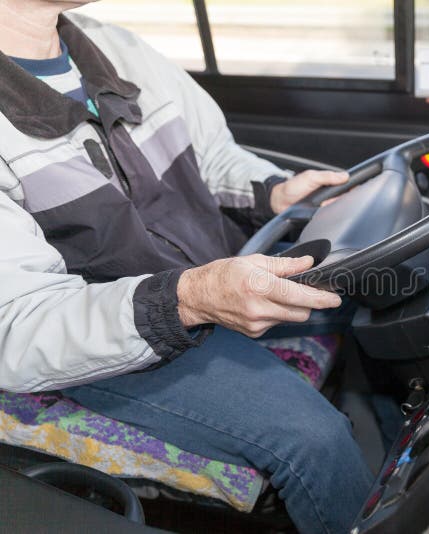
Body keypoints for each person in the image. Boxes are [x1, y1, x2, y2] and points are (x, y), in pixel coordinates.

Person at [0, 1, 373, 532]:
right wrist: (188, 299)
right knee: (314, 440)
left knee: (378, 293)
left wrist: (274, 190)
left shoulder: (115, 48)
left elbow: (214, 154)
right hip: (109, 342)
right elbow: (17, 323)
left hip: (205, 281)